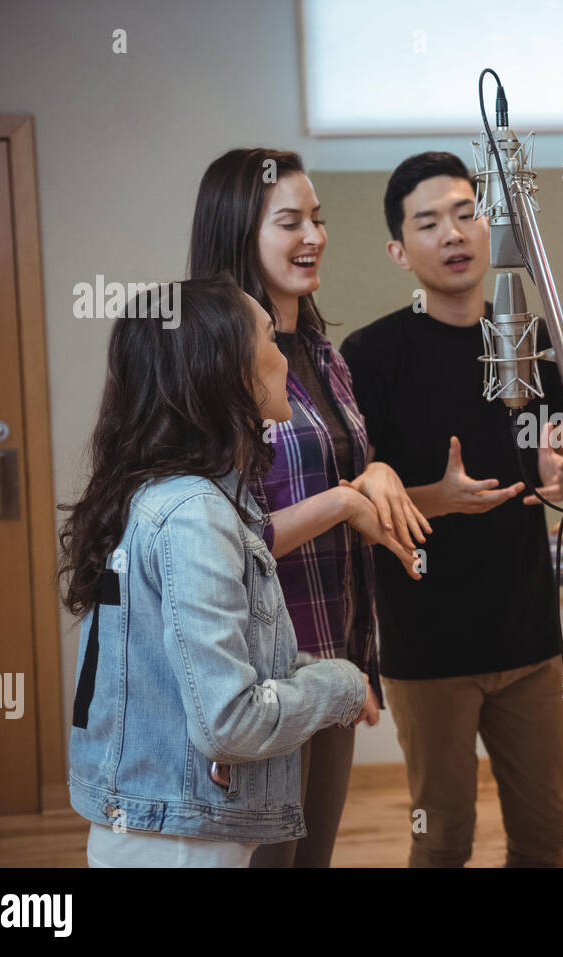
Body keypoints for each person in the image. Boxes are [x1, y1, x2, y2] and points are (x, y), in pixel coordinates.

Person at [60, 278, 401, 867]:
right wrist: (340, 684)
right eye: (269, 337)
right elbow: (229, 723)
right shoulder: (193, 514)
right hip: (178, 845)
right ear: (229, 370)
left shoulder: (176, 496)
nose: (282, 353)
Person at [189, 148, 429, 867]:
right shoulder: (214, 367)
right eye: (290, 221)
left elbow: (347, 474)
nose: (314, 237)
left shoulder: (322, 353)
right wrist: (341, 502)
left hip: (338, 656)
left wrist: (377, 470)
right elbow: (219, 539)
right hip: (265, 680)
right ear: (239, 234)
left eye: (317, 219)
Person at [339, 151, 563, 867]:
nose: (453, 234)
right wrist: (435, 501)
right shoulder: (371, 356)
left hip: (528, 635)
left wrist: (560, 474)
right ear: (398, 249)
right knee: (441, 837)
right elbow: (350, 505)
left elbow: (561, 470)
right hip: (426, 643)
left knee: (547, 834)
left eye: (466, 213)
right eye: (429, 222)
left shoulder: (532, 344)